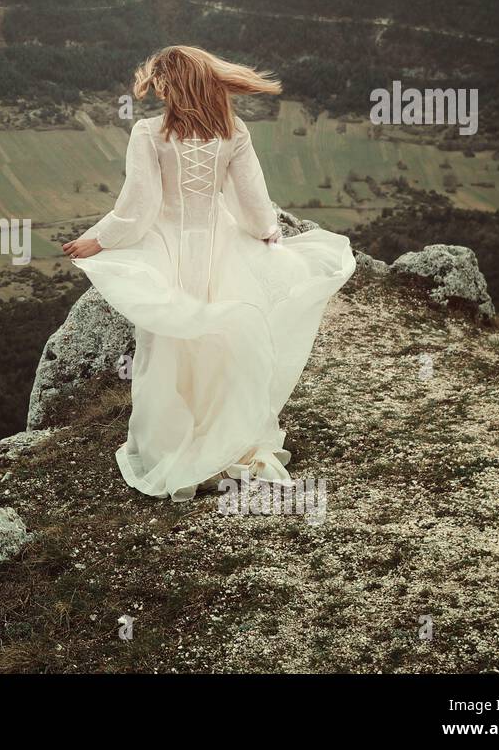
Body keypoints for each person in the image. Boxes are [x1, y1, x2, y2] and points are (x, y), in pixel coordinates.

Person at [63, 46, 355, 501]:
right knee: (223, 346)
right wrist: (269, 238)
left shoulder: (149, 133)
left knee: (170, 347)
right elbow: (255, 204)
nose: (156, 90)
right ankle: (227, 441)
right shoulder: (233, 131)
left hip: (171, 250)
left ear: (170, 84)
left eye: (160, 82)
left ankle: (173, 447)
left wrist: (97, 241)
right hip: (222, 249)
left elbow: (138, 209)